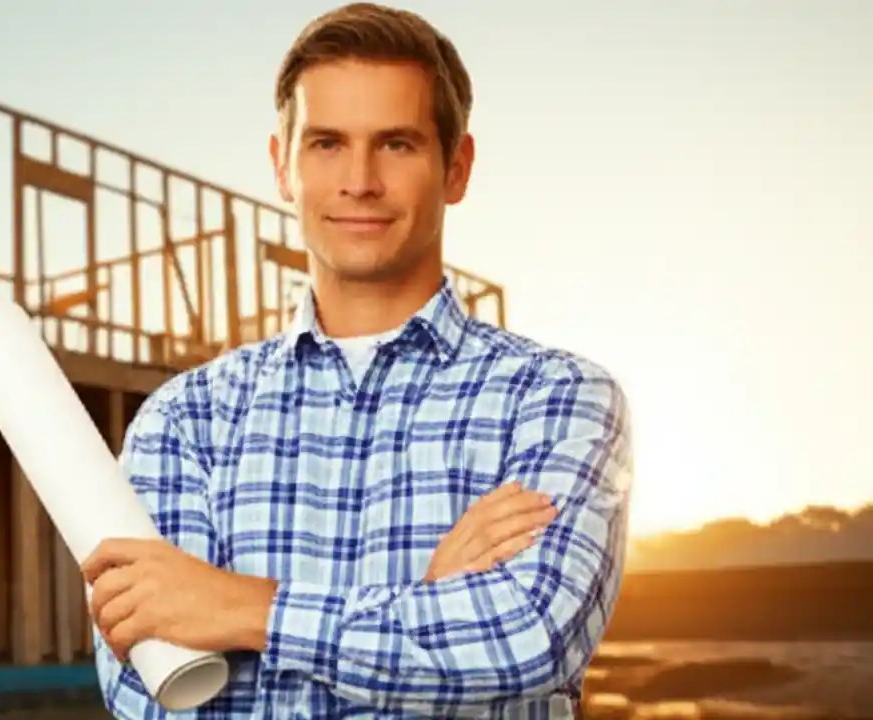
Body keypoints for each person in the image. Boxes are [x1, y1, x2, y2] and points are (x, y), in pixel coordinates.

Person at [81, 2, 634, 717]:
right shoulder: (185, 422)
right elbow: (153, 699)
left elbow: (524, 635)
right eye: (327, 144)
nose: (360, 180)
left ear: (456, 167)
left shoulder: (558, 398)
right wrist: (429, 611)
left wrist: (242, 609)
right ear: (283, 166)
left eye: (397, 144)